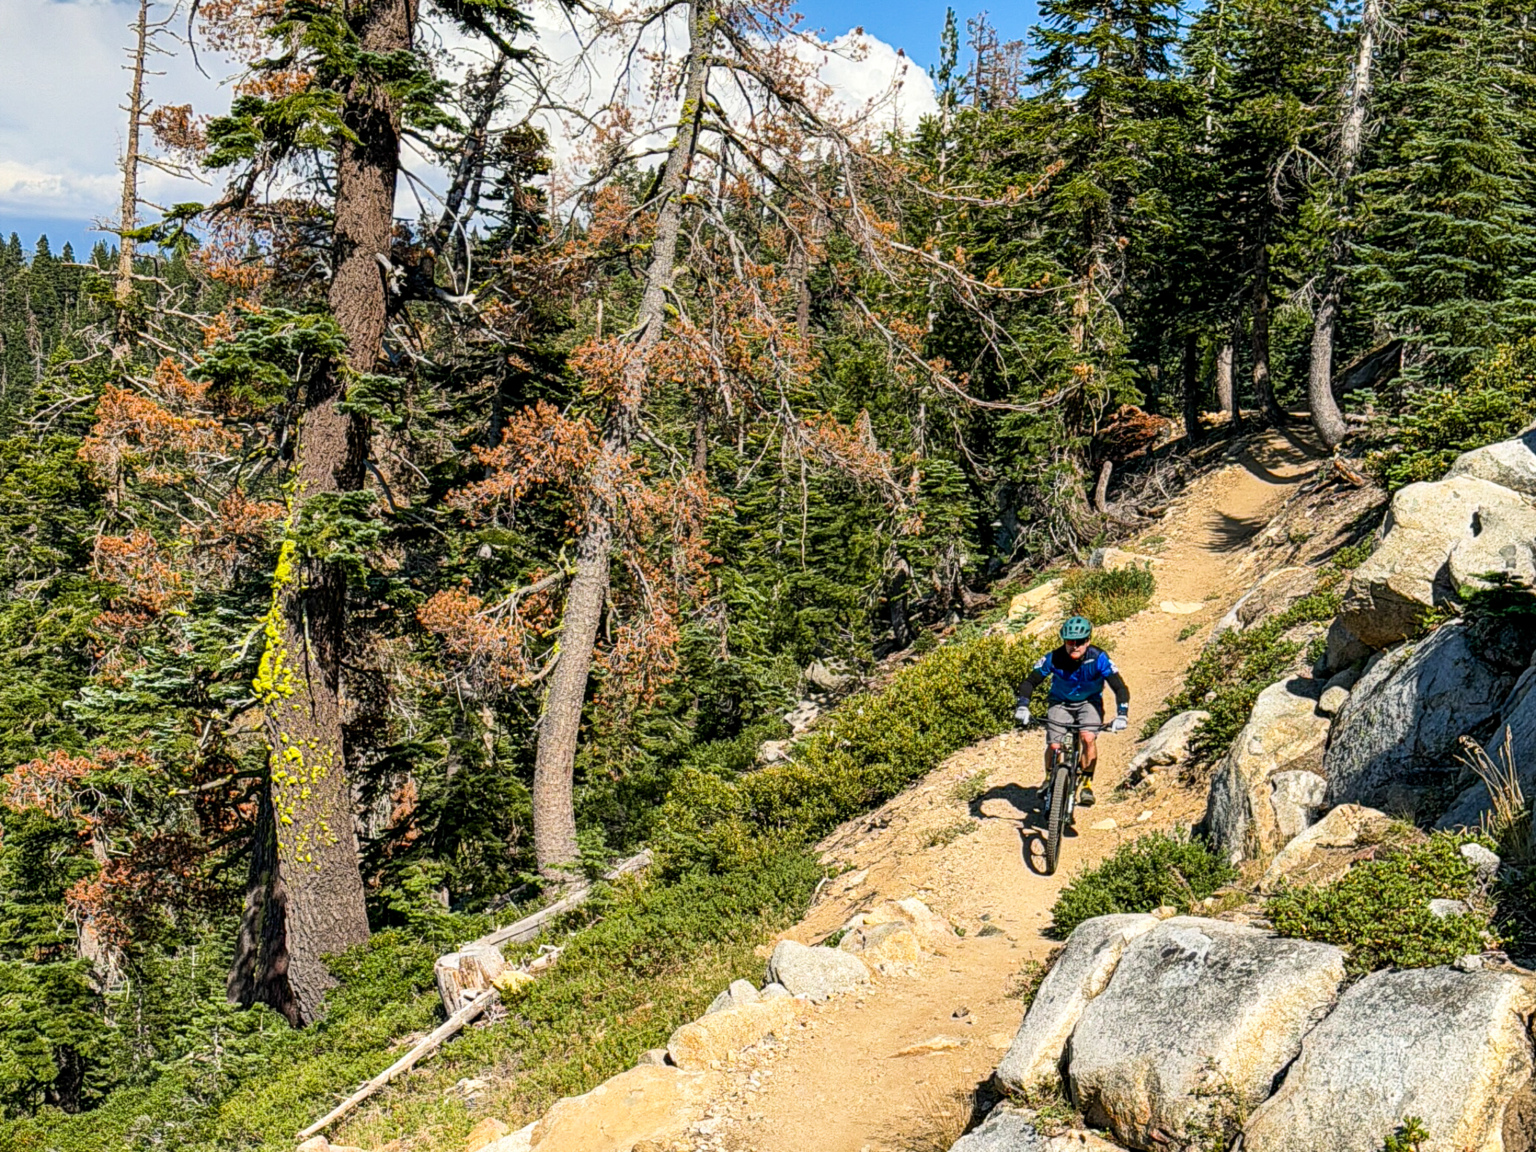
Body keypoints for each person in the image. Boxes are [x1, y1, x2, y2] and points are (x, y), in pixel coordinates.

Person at [1013, 616, 1129, 809]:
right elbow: (1030, 681)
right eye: (1070, 642)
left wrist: (1122, 714)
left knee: (1088, 737)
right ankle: (1050, 777)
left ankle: (1086, 782)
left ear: (1088, 641)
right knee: (1054, 744)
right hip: (1060, 702)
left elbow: (1119, 687)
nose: (1075, 646)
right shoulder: (1054, 658)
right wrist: (1023, 706)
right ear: (1064, 641)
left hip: (1089, 702)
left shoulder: (1099, 657)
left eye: (1080, 642)